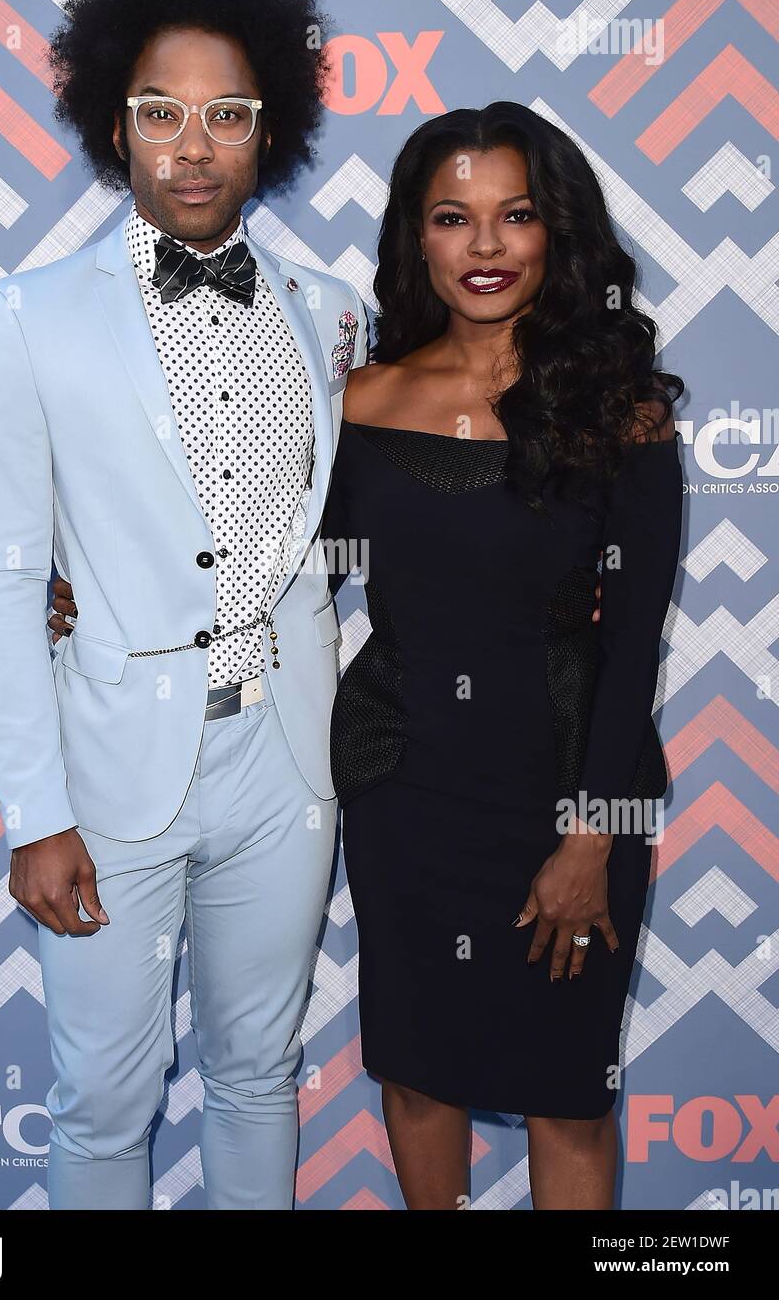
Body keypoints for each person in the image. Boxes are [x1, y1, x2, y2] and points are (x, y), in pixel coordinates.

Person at [0, 0, 367, 1211]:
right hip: (105, 772)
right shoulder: (25, 317)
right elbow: (0, 577)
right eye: (161, 113)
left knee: (256, 1072)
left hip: (286, 760)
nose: (194, 144)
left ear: (268, 130)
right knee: (104, 1098)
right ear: (112, 126)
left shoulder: (328, 308)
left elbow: (382, 500)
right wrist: (33, 814)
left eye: (227, 115)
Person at [324, 103, 685, 1209]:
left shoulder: (615, 409)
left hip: (572, 791)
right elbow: (291, 568)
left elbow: (631, 644)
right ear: (414, 239)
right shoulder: (363, 402)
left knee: (567, 1094)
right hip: (406, 784)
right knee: (417, 1071)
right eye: (452, 218)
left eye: (514, 216)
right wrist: (77, 592)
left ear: (555, 232)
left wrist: (587, 833)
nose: (484, 247)